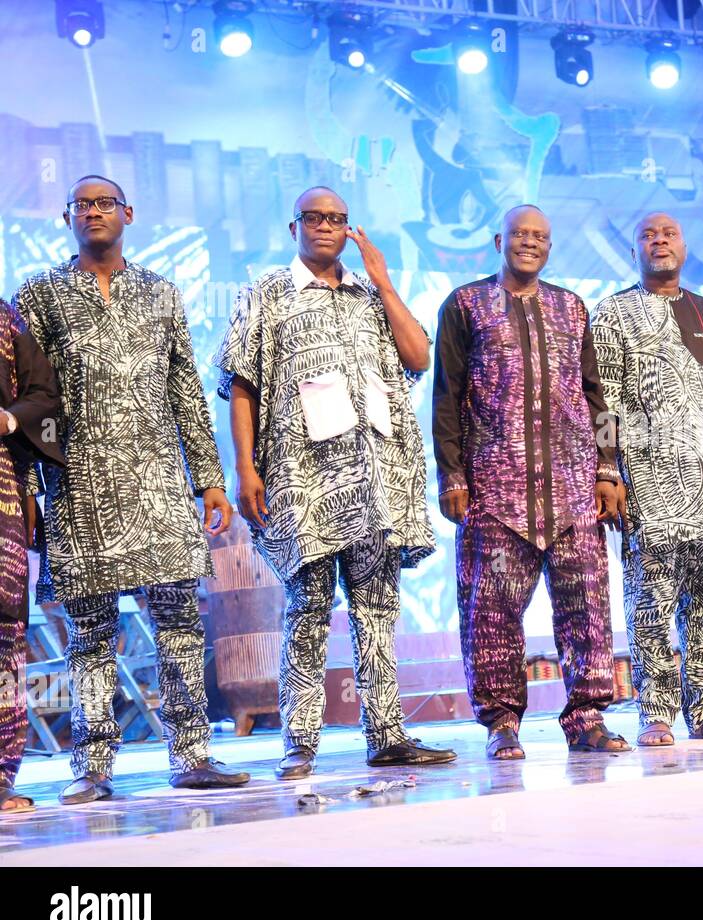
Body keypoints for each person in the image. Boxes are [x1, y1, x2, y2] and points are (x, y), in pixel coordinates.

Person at [12, 175, 248, 803]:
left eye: (104, 204)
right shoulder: (38, 296)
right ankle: (92, 767)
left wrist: (210, 482)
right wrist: (39, 485)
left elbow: (184, 393)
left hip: (161, 480)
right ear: (66, 218)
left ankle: (192, 753)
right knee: (89, 633)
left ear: (128, 214)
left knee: (177, 624)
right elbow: (35, 400)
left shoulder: (162, 293)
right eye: (82, 205)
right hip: (79, 482)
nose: (94, 212)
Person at [218, 187, 455, 780]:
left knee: (377, 609)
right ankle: (299, 742)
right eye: (315, 218)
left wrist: (383, 279)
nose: (326, 227)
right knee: (307, 608)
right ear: (293, 224)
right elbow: (242, 385)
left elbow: (419, 357)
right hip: (303, 479)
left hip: (377, 480)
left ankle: (387, 733)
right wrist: (245, 469)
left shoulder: (369, 295)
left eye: (338, 219)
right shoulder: (266, 292)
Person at [432, 205, 629, 759]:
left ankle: (587, 717)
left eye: (540, 236)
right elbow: (446, 397)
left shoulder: (572, 307)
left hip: (571, 491)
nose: (529, 243)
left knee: (587, 607)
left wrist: (608, 470)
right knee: (490, 610)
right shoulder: (466, 305)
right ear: (500, 239)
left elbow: (597, 396)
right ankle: (502, 723)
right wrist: (452, 473)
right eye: (520, 234)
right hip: (496, 492)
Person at [591, 212, 703, 746]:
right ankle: (656, 711)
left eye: (669, 234)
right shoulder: (611, 314)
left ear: (685, 246)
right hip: (651, 482)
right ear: (634, 249)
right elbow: (604, 402)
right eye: (647, 234)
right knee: (652, 603)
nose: (659, 241)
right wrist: (608, 471)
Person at [0, 300, 64, 813]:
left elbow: (44, 395)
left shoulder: (5, 319)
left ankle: (0, 778)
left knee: (4, 636)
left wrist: (6, 418)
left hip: (1, 488)